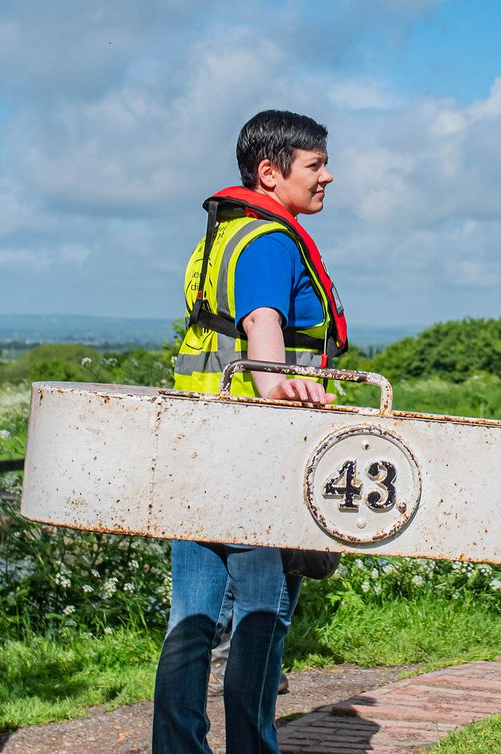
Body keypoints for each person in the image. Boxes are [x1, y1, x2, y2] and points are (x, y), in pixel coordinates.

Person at [153, 109, 347, 753]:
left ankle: (178, 747)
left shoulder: (219, 240)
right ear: (271, 172)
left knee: (193, 616)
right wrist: (276, 387)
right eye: (315, 166)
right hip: (254, 452)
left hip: (197, 445)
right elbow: (263, 321)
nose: (328, 177)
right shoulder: (268, 241)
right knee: (264, 612)